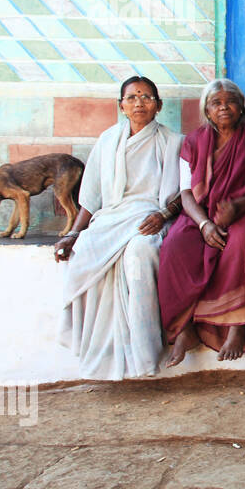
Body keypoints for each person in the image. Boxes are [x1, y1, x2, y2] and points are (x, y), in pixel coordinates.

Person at [55, 76, 182, 379]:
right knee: (84, 251)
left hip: (150, 218)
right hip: (111, 219)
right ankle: (106, 350)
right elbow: (91, 197)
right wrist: (74, 232)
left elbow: (181, 193)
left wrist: (163, 216)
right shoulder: (107, 140)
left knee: (139, 255)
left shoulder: (172, 141)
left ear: (159, 105)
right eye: (132, 97)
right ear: (121, 105)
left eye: (147, 97)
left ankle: (145, 353)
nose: (139, 103)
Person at [159, 79, 245, 367]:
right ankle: (184, 327)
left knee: (238, 243)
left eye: (230, 101)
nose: (224, 107)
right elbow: (186, 192)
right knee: (175, 245)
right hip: (201, 212)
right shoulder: (193, 141)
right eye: (216, 103)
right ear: (207, 110)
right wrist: (204, 224)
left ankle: (236, 326)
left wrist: (238, 206)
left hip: (244, 208)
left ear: (241, 106)